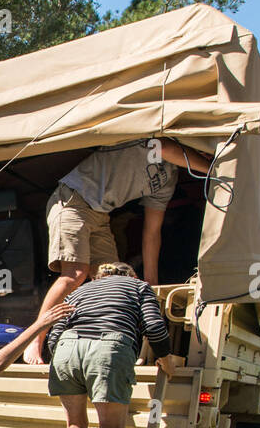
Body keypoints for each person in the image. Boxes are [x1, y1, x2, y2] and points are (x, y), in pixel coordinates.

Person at [24, 138, 212, 364]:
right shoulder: (157, 140)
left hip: (100, 215)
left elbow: (152, 233)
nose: (206, 157)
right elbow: (164, 147)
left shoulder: (168, 181)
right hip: (72, 200)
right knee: (75, 274)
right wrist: (213, 168)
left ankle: (112, 348)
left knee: (117, 284)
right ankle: (35, 340)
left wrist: (149, 286)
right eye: (206, 153)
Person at [46, 262, 180, 428]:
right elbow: (153, 326)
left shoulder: (81, 291)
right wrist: (165, 359)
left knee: (75, 426)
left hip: (66, 349)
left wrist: (65, 359)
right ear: (131, 275)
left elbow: (55, 333)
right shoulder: (139, 287)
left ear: (100, 276)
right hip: (108, 349)